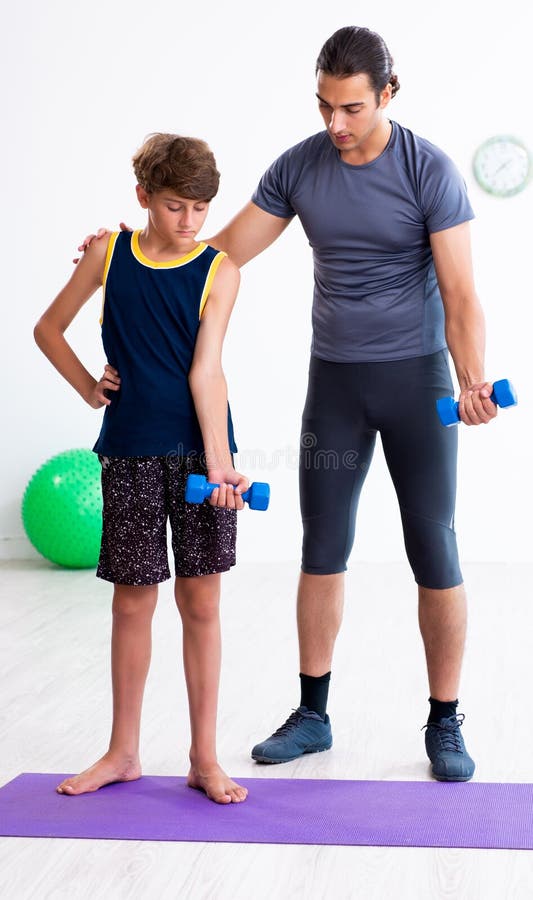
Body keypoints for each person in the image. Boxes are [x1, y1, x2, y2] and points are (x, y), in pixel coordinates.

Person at [80, 26, 496, 782]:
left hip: (415, 382)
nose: (334, 124)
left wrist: (471, 381)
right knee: (322, 544)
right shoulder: (302, 167)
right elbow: (216, 253)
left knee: (431, 542)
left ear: (388, 96)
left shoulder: (427, 170)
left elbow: (462, 295)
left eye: (351, 108)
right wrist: (120, 258)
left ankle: (444, 719)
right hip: (334, 381)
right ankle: (312, 713)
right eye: (323, 106)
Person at [34, 133, 250, 804]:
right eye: (174, 207)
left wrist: (219, 465)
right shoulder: (108, 253)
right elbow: (49, 328)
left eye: (200, 210)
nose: (188, 224)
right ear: (143, 199)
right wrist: (88, 388)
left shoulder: (220, 271)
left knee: (201, 602)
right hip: (127, 451)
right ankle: (123, 752)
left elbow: (205, 370)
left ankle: (204, 758)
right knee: (132, 601)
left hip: (196, 453)